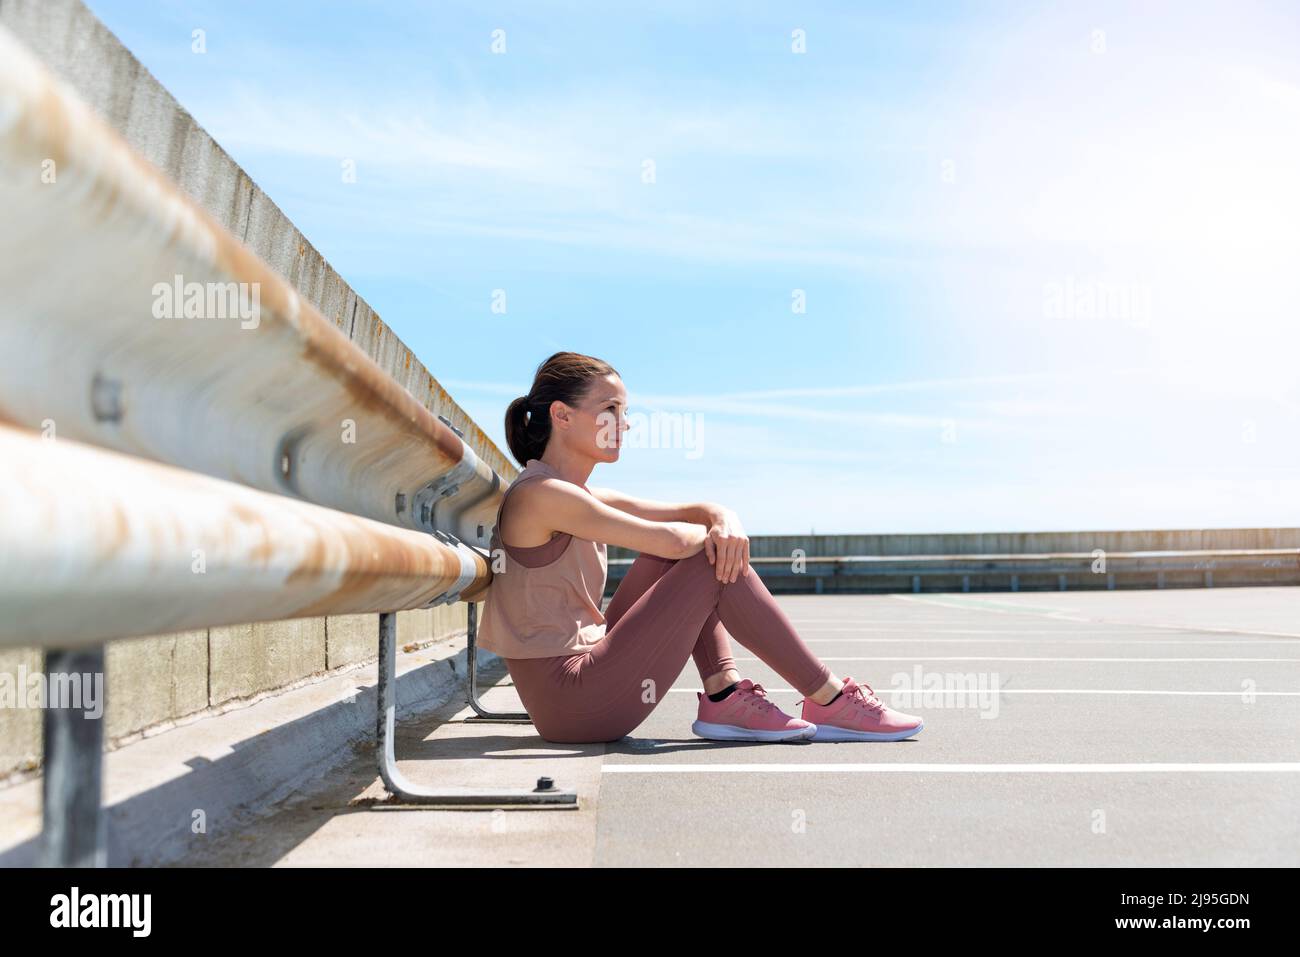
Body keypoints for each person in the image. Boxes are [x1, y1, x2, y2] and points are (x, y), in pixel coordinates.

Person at [476, 350, 925, 745]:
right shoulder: (543, 496)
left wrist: (724, 519)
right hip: (574, 704)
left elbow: (694, 513)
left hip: (580, 686)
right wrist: (717, 539)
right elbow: (675, 538)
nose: (625, 423)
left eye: (625, 410)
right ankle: (827, 698)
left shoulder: (574, 493)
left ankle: (725, 695)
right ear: (563, 415)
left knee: (693, 552)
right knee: (703, 558)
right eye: (610, 408)